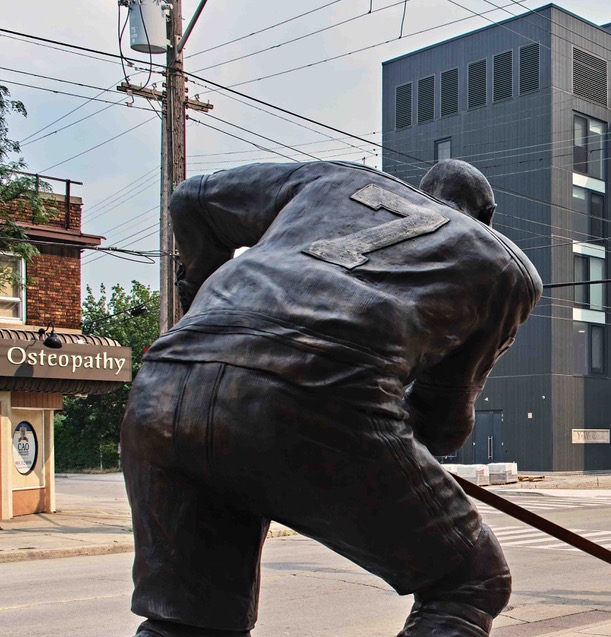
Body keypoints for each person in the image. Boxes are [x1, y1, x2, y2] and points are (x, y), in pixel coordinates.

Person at [121, 160, 541, 637]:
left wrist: (202, 303)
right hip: (319, 390)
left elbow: (190, 198)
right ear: (487, 216)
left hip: (165, 387)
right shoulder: (503, 265)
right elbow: (442, 421)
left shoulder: (333, 179)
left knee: (190, 618)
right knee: (470, 581)